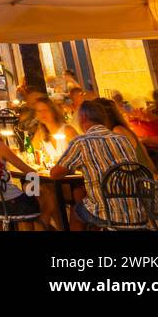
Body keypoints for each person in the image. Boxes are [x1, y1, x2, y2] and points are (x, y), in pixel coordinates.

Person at [51, 99, 146, 230]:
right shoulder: (123, 140)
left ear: (83, 117)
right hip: (137, 212)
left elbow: (55, 174)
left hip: (106, 213)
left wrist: (72, 167)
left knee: (77, 211)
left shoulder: (82, 142)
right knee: (84, 197)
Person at [95, 97, 154, 174]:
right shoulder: (120, 129)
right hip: (139, 176)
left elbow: (121, 163)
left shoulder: (118, 131)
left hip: (139, 179)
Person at [31, 95, 78, 168]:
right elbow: (32, 154)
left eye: (45, 110)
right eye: (39, 111)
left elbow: (79, 154)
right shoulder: (40, 133)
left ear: (53, 111)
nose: (42, 114)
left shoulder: (67, 130)